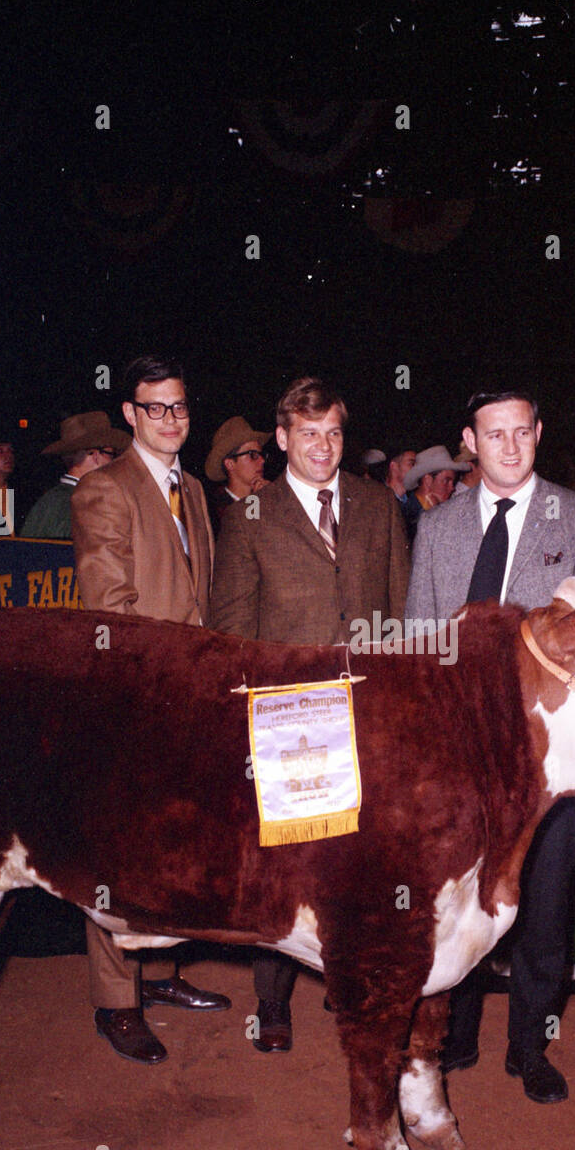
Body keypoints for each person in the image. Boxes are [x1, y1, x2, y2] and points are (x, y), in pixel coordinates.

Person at [406, 389, 575, 1104]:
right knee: (458, 904)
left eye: (522, 432)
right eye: (494, 434)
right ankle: (452, 1034)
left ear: (539, 434)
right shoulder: (438, 526)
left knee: (545, 909)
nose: (510, 447)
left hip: (553, 760)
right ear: (470, 441)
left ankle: (530, 1047)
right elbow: (419, 638)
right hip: (462, 760)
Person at [210, 376, 410, 1052]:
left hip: (365, 709)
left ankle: (346, 977)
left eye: (333, 433)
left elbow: (400, 613)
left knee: (360, 857)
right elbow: (232, 630)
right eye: (309, 433)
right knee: (286, 862)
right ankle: (272, 1003)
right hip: (287, 715)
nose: (323, 446)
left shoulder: (379, 505)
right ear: (284, 438)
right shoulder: (248, 519)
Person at [70, 354, 230, 1063]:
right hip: (135, 694)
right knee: (118, 850)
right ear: (130, 415)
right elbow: (109, 607)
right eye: (155, 408)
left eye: (180, 406)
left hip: (192, 692)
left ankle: (161, 974)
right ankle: (116, 1000)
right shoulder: (104, 490)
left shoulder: (193, 488)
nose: (172, 420)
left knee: (174, 842)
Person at [22, 411, 128, 539]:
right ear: (95, 455)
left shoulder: (54, 499)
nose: (113, 461)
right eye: (110, 454)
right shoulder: (77, 502)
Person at [203, 415, 269, 536]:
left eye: (262, 454)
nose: (262, 461)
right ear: (230, 464)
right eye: (252, 455)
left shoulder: (268, 498)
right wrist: (254, 503)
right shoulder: (212, 510)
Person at [401, 444, 471, 542]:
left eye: (453, 482)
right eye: (446, 481)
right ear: (428, 480)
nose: (452, 488)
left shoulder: (437, 514)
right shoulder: (409, 520)